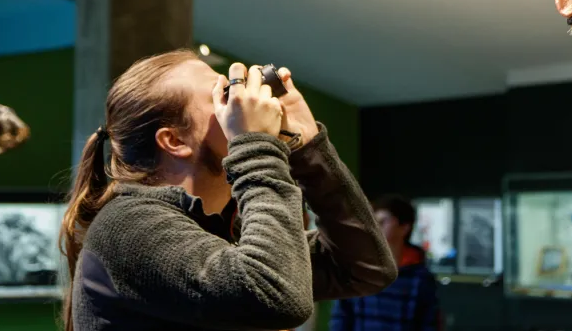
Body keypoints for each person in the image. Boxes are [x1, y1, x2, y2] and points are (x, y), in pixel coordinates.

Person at [60, 50, 397, 331]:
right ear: (174, 140)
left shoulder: (218, 229)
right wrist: (255, 145)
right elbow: (278, 297)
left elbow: (364, 269)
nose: (241, 100)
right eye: (223, 94)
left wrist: (308, 149)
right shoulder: (128, 225)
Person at [330, 195, 442, 331]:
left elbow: (429, 324)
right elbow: (340, 318)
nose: (376, 229)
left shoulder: (421, 278)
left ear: (404, 228)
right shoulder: (357, 271)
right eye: (374, 222)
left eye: (383, 222)